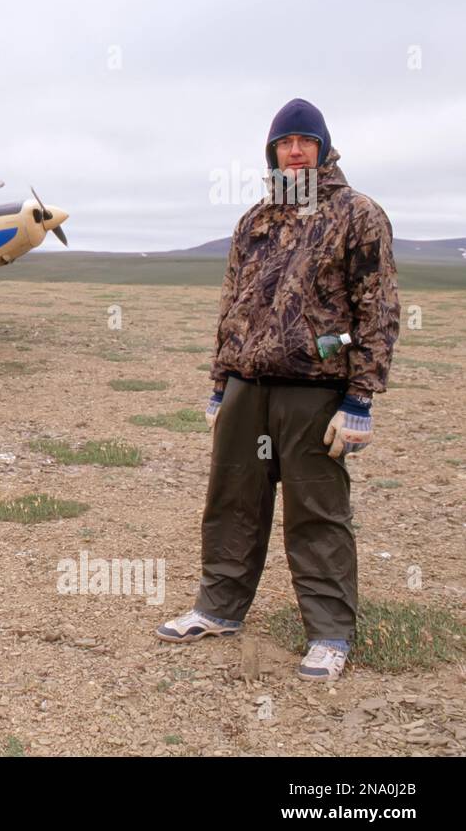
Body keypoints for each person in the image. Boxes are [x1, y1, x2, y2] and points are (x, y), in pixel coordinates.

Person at [156, 99, 399, 682]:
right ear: (272, 152)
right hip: (247, 386)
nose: (294, 151)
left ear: (323, 148)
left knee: (317, 514)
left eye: (304, 141)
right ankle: (218, 609)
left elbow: (379, 310)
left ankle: (330, 634)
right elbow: (232, 307)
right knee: (232, 503)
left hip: (314, 391)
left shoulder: (358, 214)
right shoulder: (255, 219)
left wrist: (360, 399)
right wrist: (221, 386)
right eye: (284, 142)